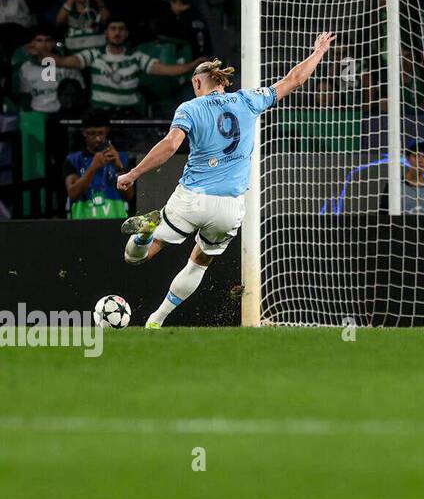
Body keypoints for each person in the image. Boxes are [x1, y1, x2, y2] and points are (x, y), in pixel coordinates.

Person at [116, 37, 335, 327]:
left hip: (192, 198)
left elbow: (170, 146)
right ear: (223, 82)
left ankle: (145, 234)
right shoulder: (247, 99)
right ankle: (157, 319)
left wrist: (133, 174)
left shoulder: (189, 109)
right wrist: (318, 51)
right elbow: (295, 79)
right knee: (199, 260)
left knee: (136, 258)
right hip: (230, 206)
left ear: (197, 84)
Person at [47, 18, 200, 116]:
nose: (117, 33)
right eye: (113, 29)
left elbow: (166, 69)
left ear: (126, 33)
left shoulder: (136, 56)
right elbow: (64, 62)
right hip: (100, 113)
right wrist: (44, 54)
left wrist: (192, 66)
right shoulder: (94, 54)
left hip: (128, 114)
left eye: (121, 29)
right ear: (106, 33)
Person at [65, 111, 133, 219]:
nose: (97, 138)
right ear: (84, 132)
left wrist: (119, 166)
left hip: (115, 223)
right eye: (92, 133)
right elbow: (72, 194)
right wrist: (92, 168)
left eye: (100, 133)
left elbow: (129, 196)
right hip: (82, 226)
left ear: (107, 131)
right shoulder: (73, 160)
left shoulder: (121, 158)